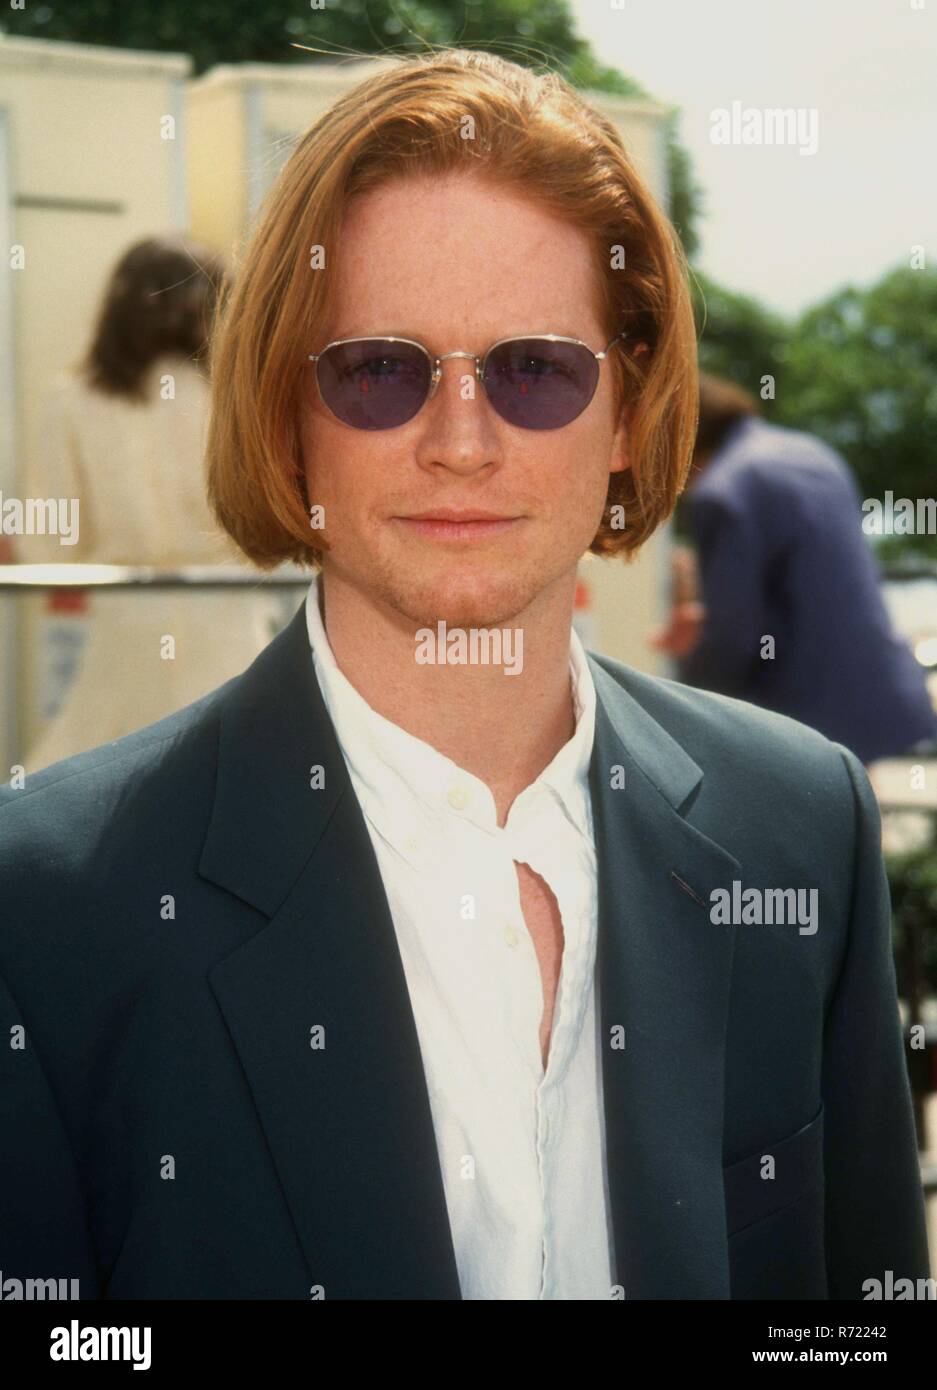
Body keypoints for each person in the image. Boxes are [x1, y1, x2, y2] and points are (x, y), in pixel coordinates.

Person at [0, 49, 930, 1302]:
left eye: (535, 369)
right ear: (286, 411)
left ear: (627, 411)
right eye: (379, 369)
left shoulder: (801, 828)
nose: (459, 441)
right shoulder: (48, 906)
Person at [17, 235, 282, 769]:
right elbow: (274, 522)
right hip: (229, 621)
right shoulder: (238, 394)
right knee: (241, 774)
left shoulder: (72, 400)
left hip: (125, 630)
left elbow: (46, 545)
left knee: (103, 789)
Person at [652, 373, 937, 764]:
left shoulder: (722, 490)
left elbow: (732, 638)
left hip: (802, 725)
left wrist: (673, 712)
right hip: (878, 696)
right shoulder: (811, 453)